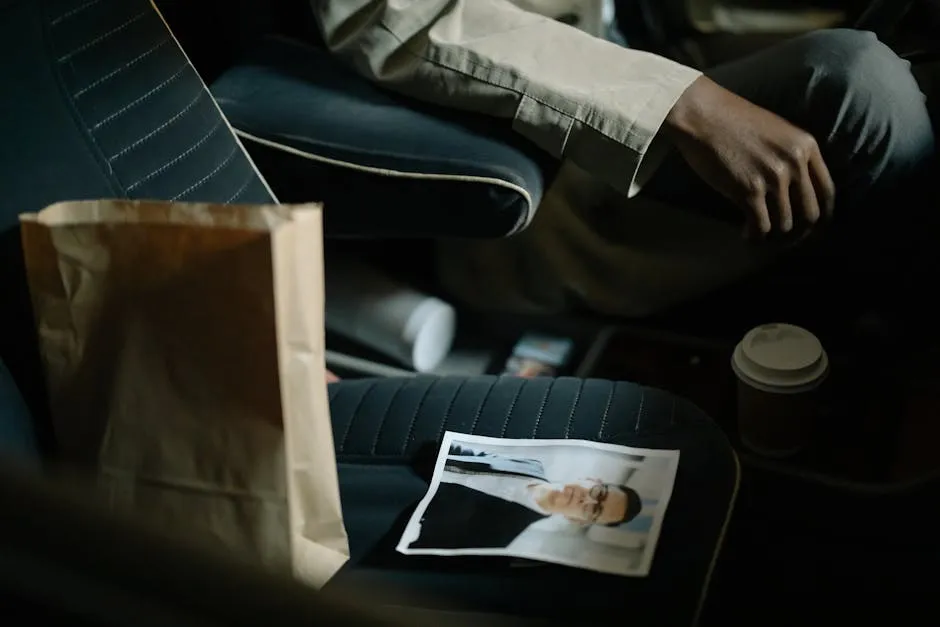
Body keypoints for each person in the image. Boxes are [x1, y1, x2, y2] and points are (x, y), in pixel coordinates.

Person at [312, 1, 935, 316]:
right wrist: (678, 102)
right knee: (864, 89)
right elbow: (383, 13)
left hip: (657, 31)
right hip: (548, 132)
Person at [407, 444, 641, 550]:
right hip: (411, 459)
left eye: (593, 511)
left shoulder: (500, 536)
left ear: (579, 521)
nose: (586, 501)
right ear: (592, 480)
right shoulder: (530, 465)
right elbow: (459, 453)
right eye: (598, 494)